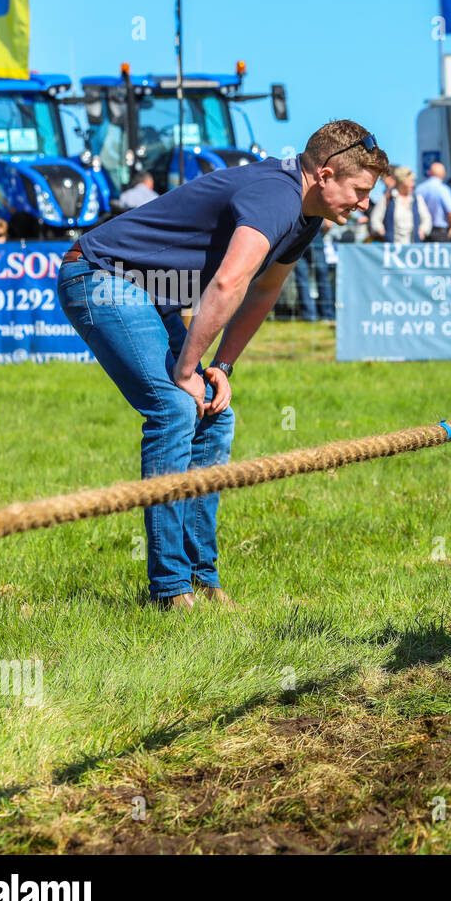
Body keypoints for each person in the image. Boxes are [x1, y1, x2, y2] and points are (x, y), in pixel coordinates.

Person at [56, 120, 387, 607]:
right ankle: (169, 590)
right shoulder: (277, 195)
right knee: (173, 408)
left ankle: (203, 581)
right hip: (99, 275)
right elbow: (230, 283)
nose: (363, 205)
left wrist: (220, 369)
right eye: (359, 191)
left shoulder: (307, 216)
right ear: (325, 172)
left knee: (214, 412)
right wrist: (187, 372)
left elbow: (265, 290)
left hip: (150, 294)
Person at [370, 165, 430, 243]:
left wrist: (422, 232)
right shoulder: (388, 197)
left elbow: (427, 218)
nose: (413, 184)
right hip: (393, 248)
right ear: (402, 182)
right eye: (410, 181)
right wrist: (385, 234)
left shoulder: (417, 198)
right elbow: (375, 219)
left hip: (413, 247)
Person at [296, 221, 336, 321]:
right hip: (315, 238)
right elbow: (328, 224)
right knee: (323, 279)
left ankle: (309, 316)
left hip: (296, 239)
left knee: (302, 280)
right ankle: (328, 315)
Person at [417, 161, 451, 241]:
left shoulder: (419, 189)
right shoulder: (443, 189)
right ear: (443, 174)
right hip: (440, 233)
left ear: (429, 173)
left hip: (422, 232)